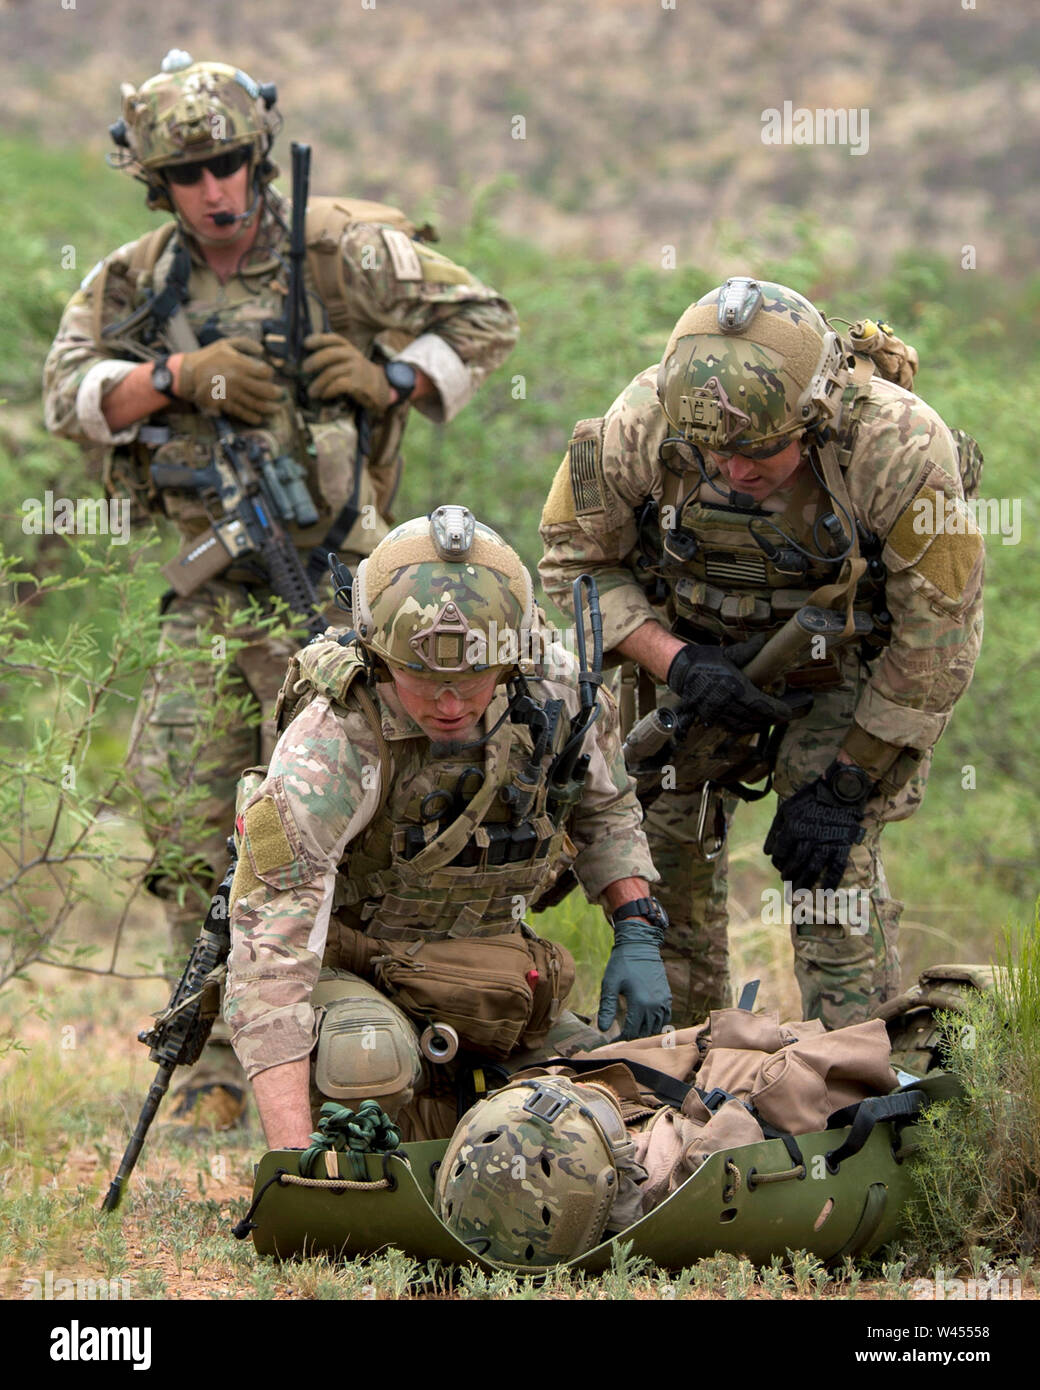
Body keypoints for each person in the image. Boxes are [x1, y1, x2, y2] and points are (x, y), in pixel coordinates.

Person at [41, 52, 518, 1123]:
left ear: (257, 157)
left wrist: (390, 375)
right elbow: (63, 392)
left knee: (340, 818)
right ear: (155, 185)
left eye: (226, 166)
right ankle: (209, 1061)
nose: (212, 192)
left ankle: (358, 1048)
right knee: (186, 814)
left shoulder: (342, 248)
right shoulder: (134, 278)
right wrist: (172, 376)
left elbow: (485, 320)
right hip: (211, 592)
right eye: (185, 175)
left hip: (338, 583)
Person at [539, 277, 983, 1030]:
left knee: (827, 874)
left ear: (814, 418)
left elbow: (939, 635)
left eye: (762, 452)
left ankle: (854, 1087)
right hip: (691, 663)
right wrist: (673, 659)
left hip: (845, 673)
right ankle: (676, 1081)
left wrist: (848, 785)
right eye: (715, 453)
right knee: (663, 865)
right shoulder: (645, 421)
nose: (737, 471)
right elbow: (574, 564)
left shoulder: (897, 447)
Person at [224, 507, 671, 1149]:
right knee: (365, 1060)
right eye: (424, 679)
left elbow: (605, 807)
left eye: (471, 680)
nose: (450, 704)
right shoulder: (335, 744)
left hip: (482, 972)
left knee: (617, 1102)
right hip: (355, 968)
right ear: (379, 659)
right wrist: (291, 1161)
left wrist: (635, 928)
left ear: (512, 658)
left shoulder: (558, 692)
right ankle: (365, 1151)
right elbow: (272, 959)